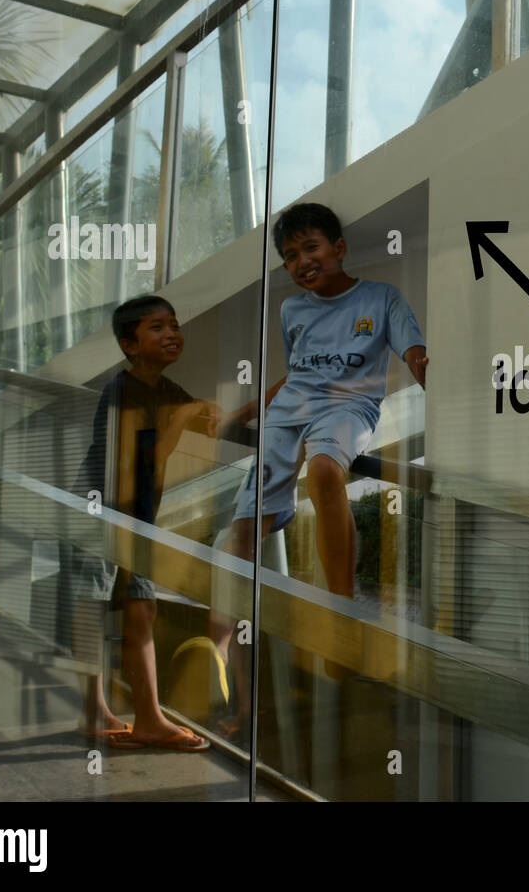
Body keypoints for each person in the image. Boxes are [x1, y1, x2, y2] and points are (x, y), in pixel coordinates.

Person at [209, 203, 427, 717]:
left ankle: (341, 614)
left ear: (339, 249)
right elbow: (297, 373)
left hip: (349, 406)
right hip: (288, 414)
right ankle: (217, 656)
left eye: (311, 248)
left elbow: (415, 353)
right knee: (240, 534)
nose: (301, 261)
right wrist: (243, 412)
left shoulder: (382, 297)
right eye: (289, 256)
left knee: (325, 472)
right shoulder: (292, 310)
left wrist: (431, 373)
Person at [65, 295, 216, 751]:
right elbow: (146, 458)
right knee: (91, 607)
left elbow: (206, 419)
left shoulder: (166, 389)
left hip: (134, 521)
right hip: (98, 512)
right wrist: (187, 415)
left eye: (174, 324)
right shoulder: (121, 390)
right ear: (130, 344)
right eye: (157, 327)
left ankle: (148, 718)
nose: (172, 333)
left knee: (141, 609)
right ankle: (94, 710)